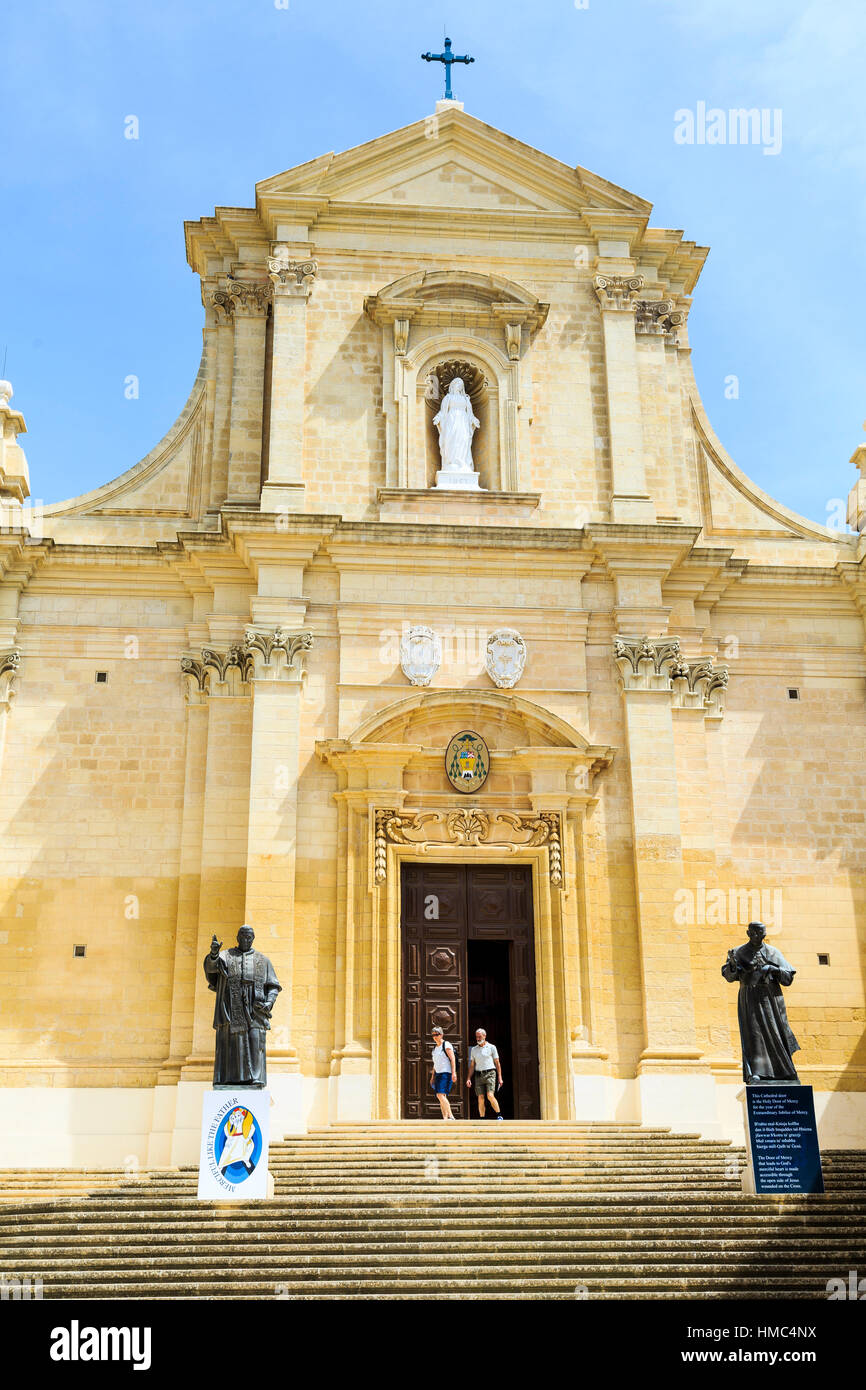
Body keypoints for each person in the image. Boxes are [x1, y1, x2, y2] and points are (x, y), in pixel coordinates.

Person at [722, 921, 800, 1083]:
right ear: (748, 933)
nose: (758, 936)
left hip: (771, 998)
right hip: (750, 998)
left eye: (761, 933)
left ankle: (785, 1071)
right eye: (755, 933)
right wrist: (732, 965)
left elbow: (788, 978)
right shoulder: (738, 952)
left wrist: (773, 969)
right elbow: (729, 976)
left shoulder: (773, 952)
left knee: (776, 1032)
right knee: (754, 1034)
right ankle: (756, 1072)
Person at [203, 925, 281, 1088]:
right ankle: (229, 1079)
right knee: (232, 1043)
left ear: (253, 939)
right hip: (232, 1005)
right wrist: (214, 954)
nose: (246, 940)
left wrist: (269, 1003)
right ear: (237, 938)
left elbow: (273, 986)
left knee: (255, 1041)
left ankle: (255, 1078)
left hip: (255, 1007)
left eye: (249, 937)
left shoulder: (263, 960)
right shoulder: (225, 956)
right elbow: (211, 970)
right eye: (243, 936)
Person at [432, 377, 480, 472]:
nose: (459, 386)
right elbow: (443, 411)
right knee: (451, 439)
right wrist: (438, 418)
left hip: (463, 421)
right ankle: (451, 462)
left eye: (461, 384)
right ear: (453, 385)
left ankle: (462, 462)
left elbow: (470, 414)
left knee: (463, 439)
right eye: (457, 383)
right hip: (451, 420)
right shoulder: (448, 398)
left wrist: (474, 420)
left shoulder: (465, 399)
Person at [466, 1027, 504, 1119]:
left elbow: (497, 1063)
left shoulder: (492, 1047)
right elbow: (472, 1065)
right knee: (480, 1097)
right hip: (478, 1074)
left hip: (490, 1073)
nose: (478, 1039)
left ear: (484, 1036)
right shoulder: (474, 1049)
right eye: (477, 1037)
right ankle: (482, 1118)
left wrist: (500, 1077)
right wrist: (468, 1078)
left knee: (490, 1095)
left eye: (479, 1037)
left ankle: (499, 1115)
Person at [429, 1025, 457, 1120]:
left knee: (440, 1095)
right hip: (438, 1074)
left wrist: (454, 1072)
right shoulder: (435, 1048)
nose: (434, 1037)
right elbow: (435, 1063)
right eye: (433, 1035)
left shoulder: (446, 1045)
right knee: (442, 1096)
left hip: (446, 1073)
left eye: (436, 1034)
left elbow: (452, 1059)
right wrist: (432, 1076)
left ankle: (451, 1116)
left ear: (441, 1035)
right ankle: (445, 1118)